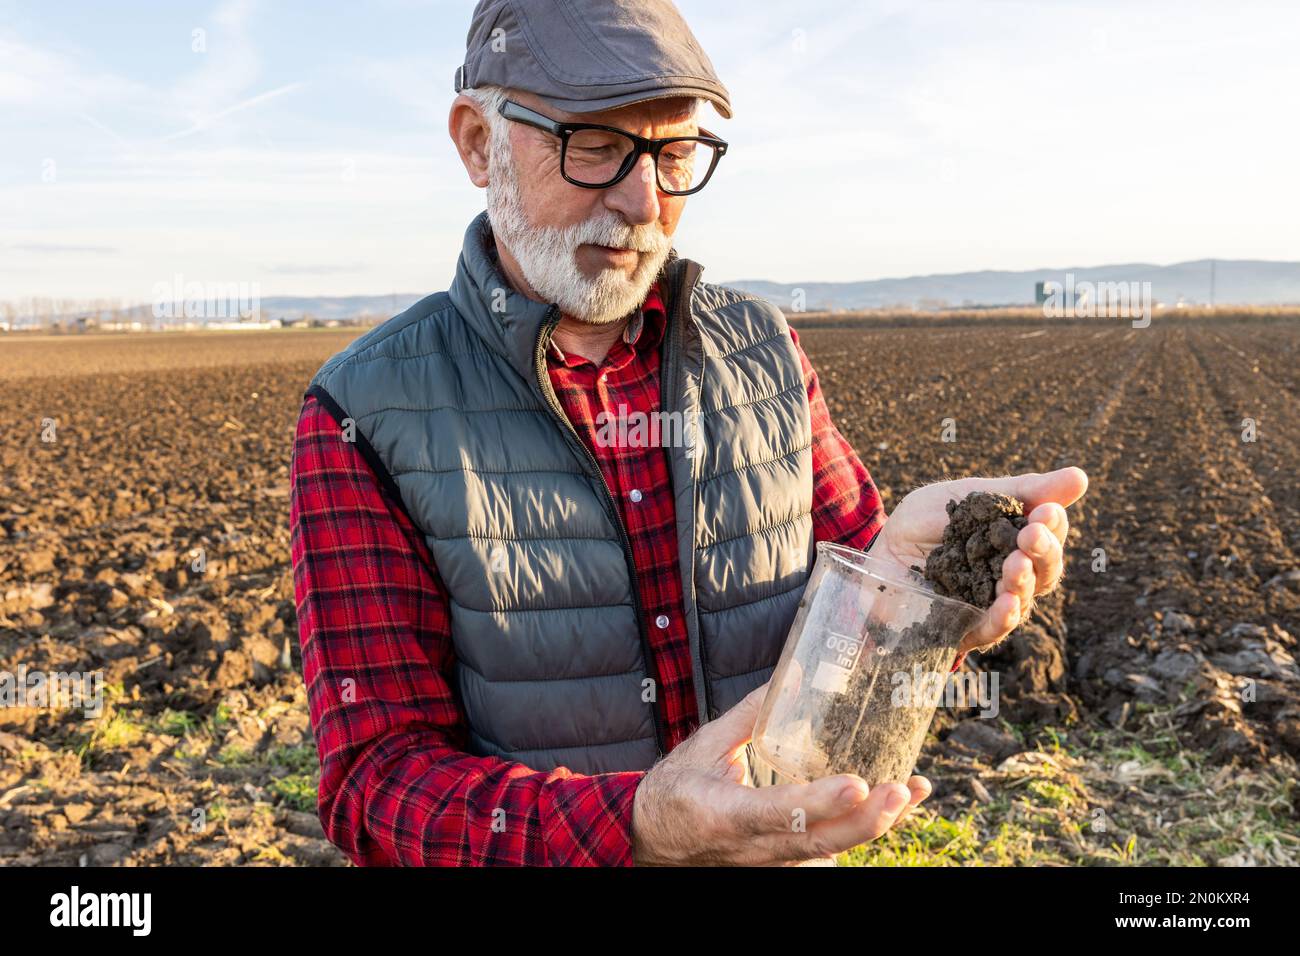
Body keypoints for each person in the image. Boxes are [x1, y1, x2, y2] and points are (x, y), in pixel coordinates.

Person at [289, 0, 1088, 866]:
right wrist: (638, 825)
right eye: (594, 144)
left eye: (675, 154)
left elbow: (859, 638)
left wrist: (915, 589)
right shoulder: (364, 414)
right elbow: (376, 784)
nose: (644, 202)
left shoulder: (762, 349)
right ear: (479, 142)